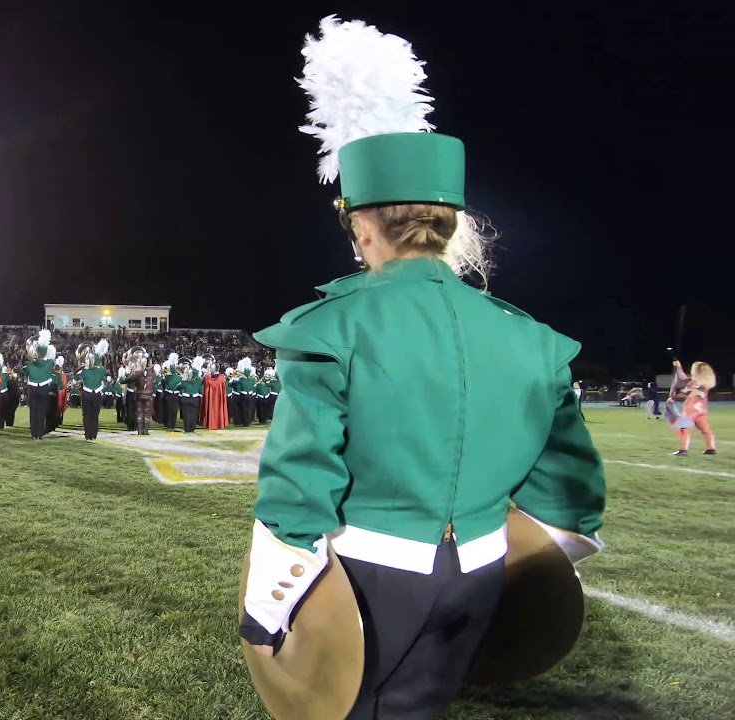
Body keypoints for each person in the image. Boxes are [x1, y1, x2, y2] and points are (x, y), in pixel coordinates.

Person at [239, 17, 606, 719]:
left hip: (370, 579)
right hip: (484, 574)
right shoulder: (530, 338)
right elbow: (570, 495)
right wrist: (514, 556)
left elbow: (298, 487)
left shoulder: (332, 328)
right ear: (448, 221)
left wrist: (266, 611)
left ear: (363, 226)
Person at [669, 359, 717, 455]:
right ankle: (711, 448)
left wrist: (673, 397)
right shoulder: (706, 383)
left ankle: (683, 449)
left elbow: (685, 393)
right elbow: (683, 377)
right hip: (702, 409)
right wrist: (679, 367)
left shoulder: (694, 382)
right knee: (705, 430)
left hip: (691, 409)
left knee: (683, 428)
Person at [24, 331, 57, 440]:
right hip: (43, 388)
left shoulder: (29, 364)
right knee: (42, 411)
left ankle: (34, 433)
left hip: (32, 388)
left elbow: (23, 372)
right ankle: (40, 433)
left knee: (33, 411)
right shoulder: (49, 363)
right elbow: (53, 360)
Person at [177, 357, 205, 433]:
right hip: (195, 399)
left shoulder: (185, 381)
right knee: (194, 414)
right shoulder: (199, 380)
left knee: (186, 414)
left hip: (185, 398)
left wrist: (184, 378)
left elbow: (178, 387)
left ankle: (187, 428)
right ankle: (192, 428)